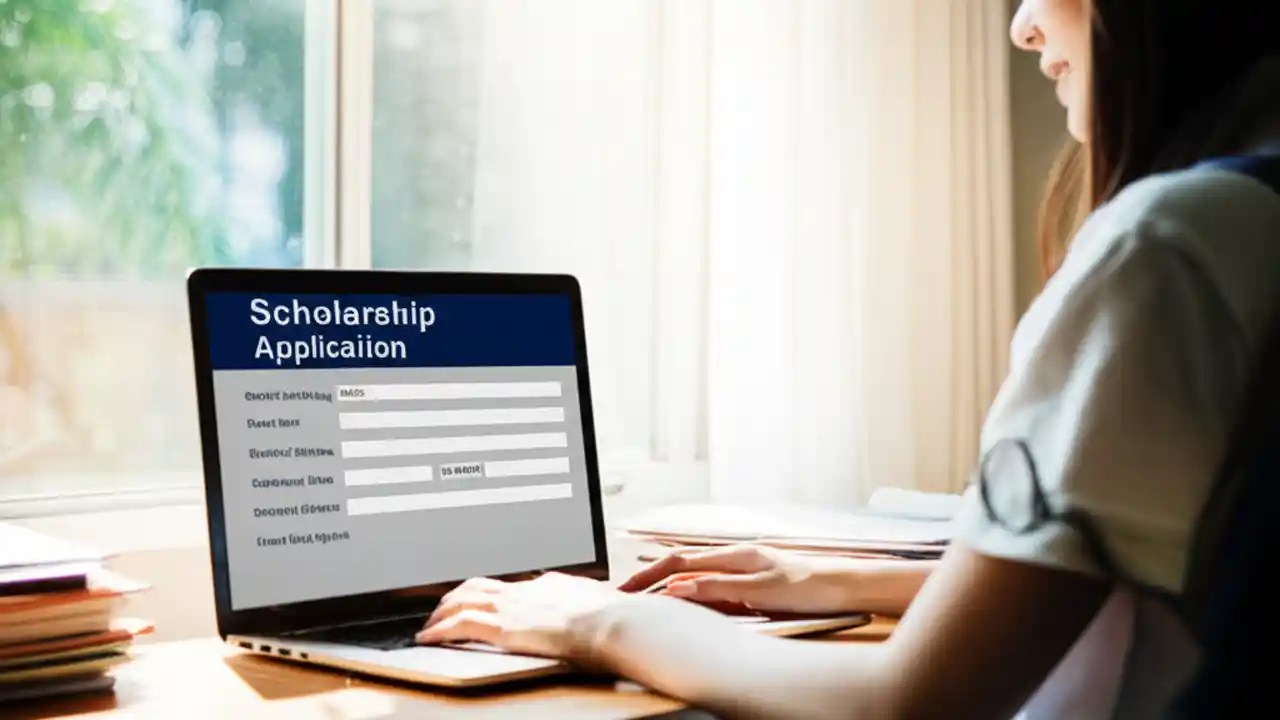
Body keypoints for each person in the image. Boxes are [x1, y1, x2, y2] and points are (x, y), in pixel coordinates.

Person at [414, 1, 1280, 717]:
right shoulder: (1250, 218)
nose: (1021, 25)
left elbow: (908, 701)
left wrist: (597, 623)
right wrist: (827, 580)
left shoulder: (1170, 245)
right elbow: (1115, 580)